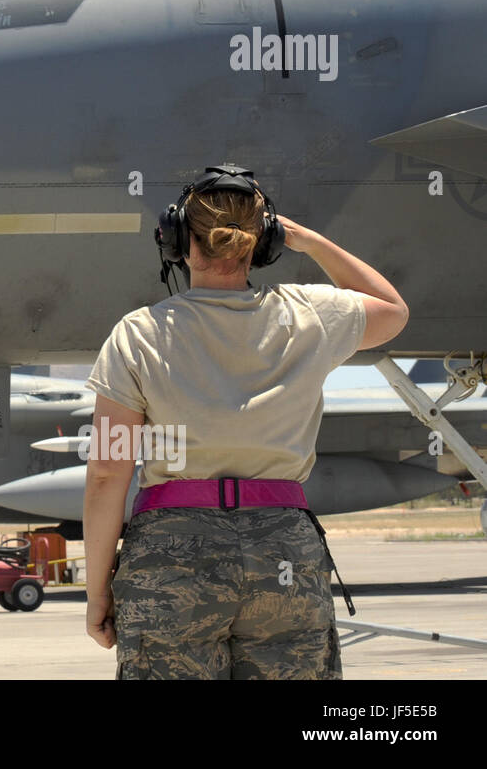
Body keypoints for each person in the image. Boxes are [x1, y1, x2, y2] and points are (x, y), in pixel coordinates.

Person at [82, 164, 408, 679]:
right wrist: (309, 241)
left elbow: (107, 474)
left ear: (176, 239)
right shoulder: (310, 314)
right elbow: (393, 309)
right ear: (266, 241)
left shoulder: (138, 334)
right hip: (284, 550)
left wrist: (97, 591)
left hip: (173, 555)